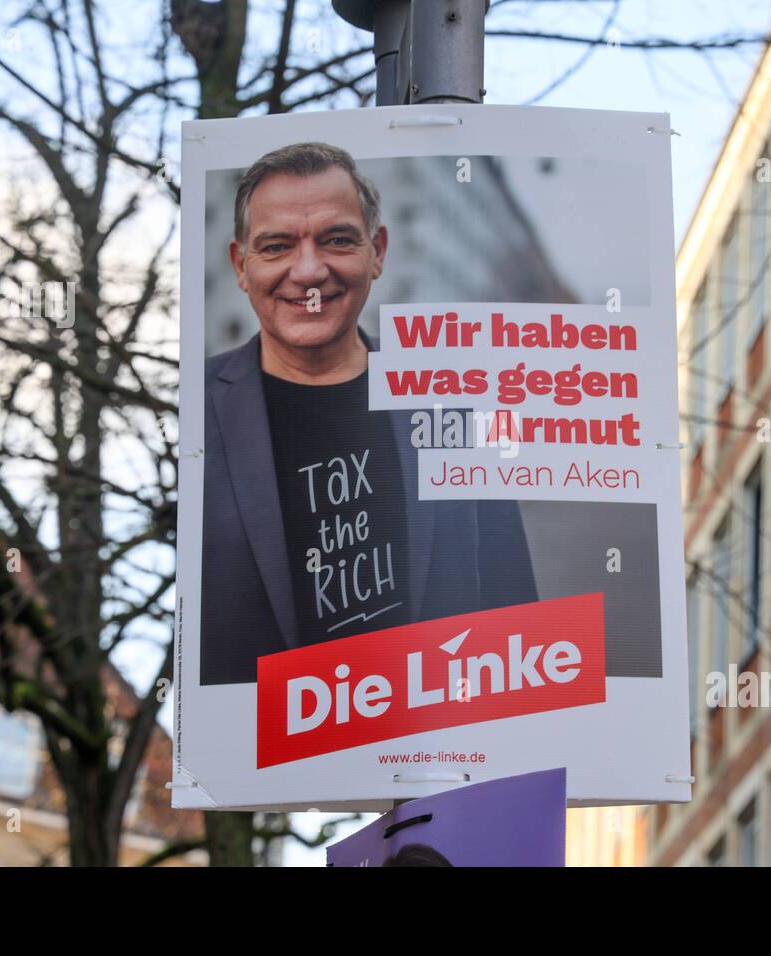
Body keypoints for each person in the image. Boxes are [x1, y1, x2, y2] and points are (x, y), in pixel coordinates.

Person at [201, 142, 537, 685]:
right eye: (277, 246)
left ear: (377, 251)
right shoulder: (193, 408)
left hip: (431, 757)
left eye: (337, 240)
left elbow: (513, 617)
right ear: (241, 266)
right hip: (254, 764)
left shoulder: (454, 406)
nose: (308, 272)